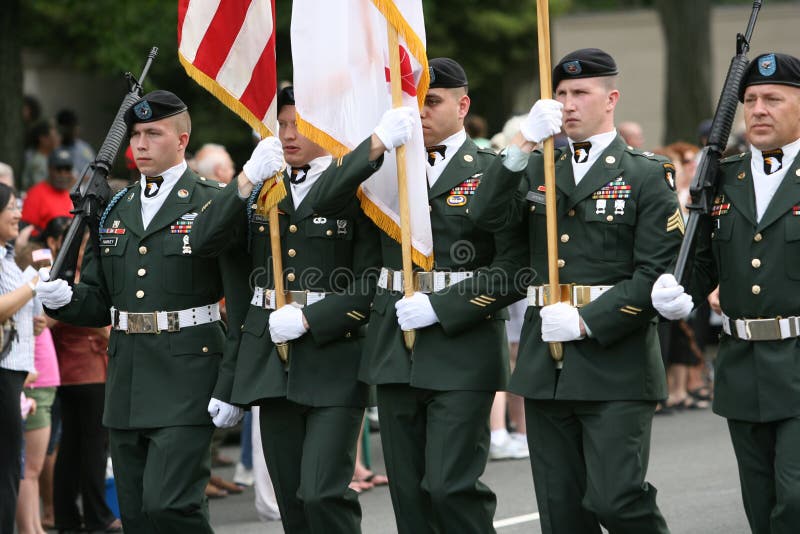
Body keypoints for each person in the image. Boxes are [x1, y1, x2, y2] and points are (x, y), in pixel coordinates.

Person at [469, 48, 679, 533]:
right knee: (562, 514)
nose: (568, 103)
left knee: (616, 500)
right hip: (547, 368)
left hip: (616, 362)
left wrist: (589, 320)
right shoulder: (538, 169)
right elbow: (483, 217)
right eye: (560, 93)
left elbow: (655, 272)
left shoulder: (646, 172)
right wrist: (520, 144)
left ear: (611, 98)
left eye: (580, 92)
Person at [311, 57, 522, 534]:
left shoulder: (492, 169)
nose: (420, 112)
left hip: (462, 344)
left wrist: (442, 306)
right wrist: (378, 142)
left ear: (462, 105)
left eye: (431, 101)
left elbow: (513, 271)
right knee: (409, 498)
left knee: (450, 488)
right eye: (412, 103)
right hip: (395, 343)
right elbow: (322, 201)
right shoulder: (387, 168)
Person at [39, 90, 251, 534]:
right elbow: (100, 301)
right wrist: (66, 298)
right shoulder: (116, 207)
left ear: (181, 140)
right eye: (135, 134)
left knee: (172, 506)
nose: (139, 144)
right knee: (136, 515)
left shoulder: (212, 202)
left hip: (189, 376)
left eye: (153, 133)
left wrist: (232, 386)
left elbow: (242, 304)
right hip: (128, 379)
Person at [190, 85, 396, 534]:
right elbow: (203, 240)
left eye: (298, 124)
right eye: (282, 124)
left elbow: (372, 284)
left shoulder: (359, 189)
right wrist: (244, 180)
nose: (287, 133)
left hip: (335, 358)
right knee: (292, 504)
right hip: (272, 364)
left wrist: (310, 317)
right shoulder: (265, 188)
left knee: (322, 493)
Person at [652, 52, 800, 534]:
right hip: (743, 366)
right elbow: (700, 263)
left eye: (773, 99)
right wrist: (678, 289)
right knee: (760, 504)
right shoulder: (724, 179)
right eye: (751, 100)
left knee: (795, 500)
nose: (758, 109)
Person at [0, 183, 43, 533]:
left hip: (13, 370)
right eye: (11, 207)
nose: (18, 215)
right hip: (3, 369)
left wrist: (33, 318)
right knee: (6, 466)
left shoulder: (7, 256)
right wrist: (33, 284)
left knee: (11, 463)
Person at [21, 148, 76, 234]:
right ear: (49, 169)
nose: (63, 175)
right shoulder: (35, 194)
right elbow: (26, 231)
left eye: (67, 170)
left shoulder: (72, 195)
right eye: (58, 170)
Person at [55, 109, 96, 178]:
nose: (75, 129)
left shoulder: (84, 147)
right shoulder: (55, 150)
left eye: (74, 126)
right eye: (69, 127)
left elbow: (95, 170)